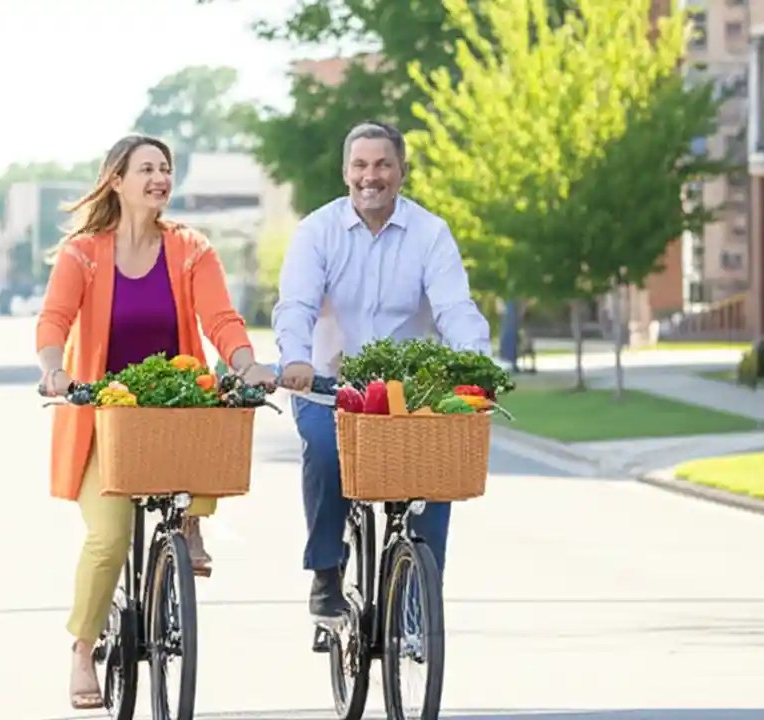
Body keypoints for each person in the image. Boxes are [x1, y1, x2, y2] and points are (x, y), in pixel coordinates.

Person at [35, 134, 277, 709]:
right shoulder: (83, 254)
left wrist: (247, 364)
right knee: (109, 535)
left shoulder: (191, 248)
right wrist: (53, 371)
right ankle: (83, 648)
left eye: (165, 169)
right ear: (116, 180)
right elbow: (54, 321)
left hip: (172, 411)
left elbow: (220, 319)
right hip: (104, 416)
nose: (159, 178)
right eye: (146, 168)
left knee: (219, 423)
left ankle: (190, 521)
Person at [272, 121, 492, 621]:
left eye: (383, 165)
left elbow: (454, 307)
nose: (371, 176)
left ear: (401, 171)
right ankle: (327, 572)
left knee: (436, 468)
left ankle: (418, 597)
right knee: (327, 453)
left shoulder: (430, 233)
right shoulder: (317, 232)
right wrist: (296, 360)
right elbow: (296, 306)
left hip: (408, 389)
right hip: (327, 384)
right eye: (361, 165)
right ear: (346, 172)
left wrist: (474, 362)